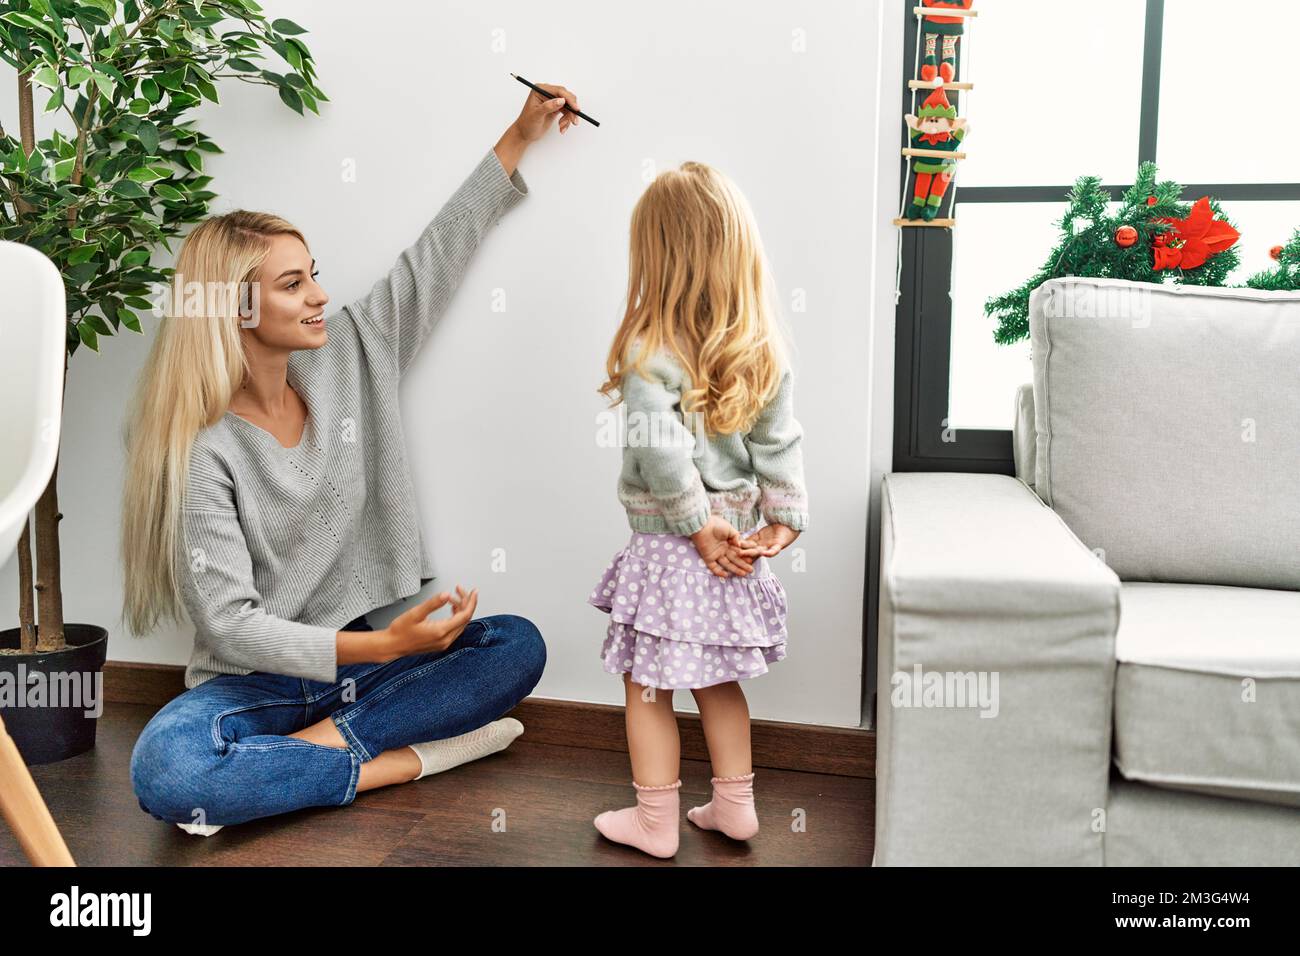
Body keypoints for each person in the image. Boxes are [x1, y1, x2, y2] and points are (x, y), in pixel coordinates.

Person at [119, 83, 583, 834]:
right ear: (237, 309)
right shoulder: (202, 449)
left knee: (514, 645)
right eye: (293, 283)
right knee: (167, 768)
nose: (318, 296)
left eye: (314, 274)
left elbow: (432, 259)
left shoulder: (348, 355)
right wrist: (389, 643)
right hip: (252, 685)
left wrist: (519, 135)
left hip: (362, 673)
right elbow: (233, 627)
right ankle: (402, 761)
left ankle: (296, 760)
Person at [586, 161, 809, 858]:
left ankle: (655, 822)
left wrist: (692, 524)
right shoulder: (760, 349)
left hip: (671, 548)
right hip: (732, 545)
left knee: (647, 686)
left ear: (659, 257)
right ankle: (734, 807)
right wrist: (783, 514)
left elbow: (661, 453)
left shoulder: (649, 351)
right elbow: (779, 441)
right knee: (718, 682)